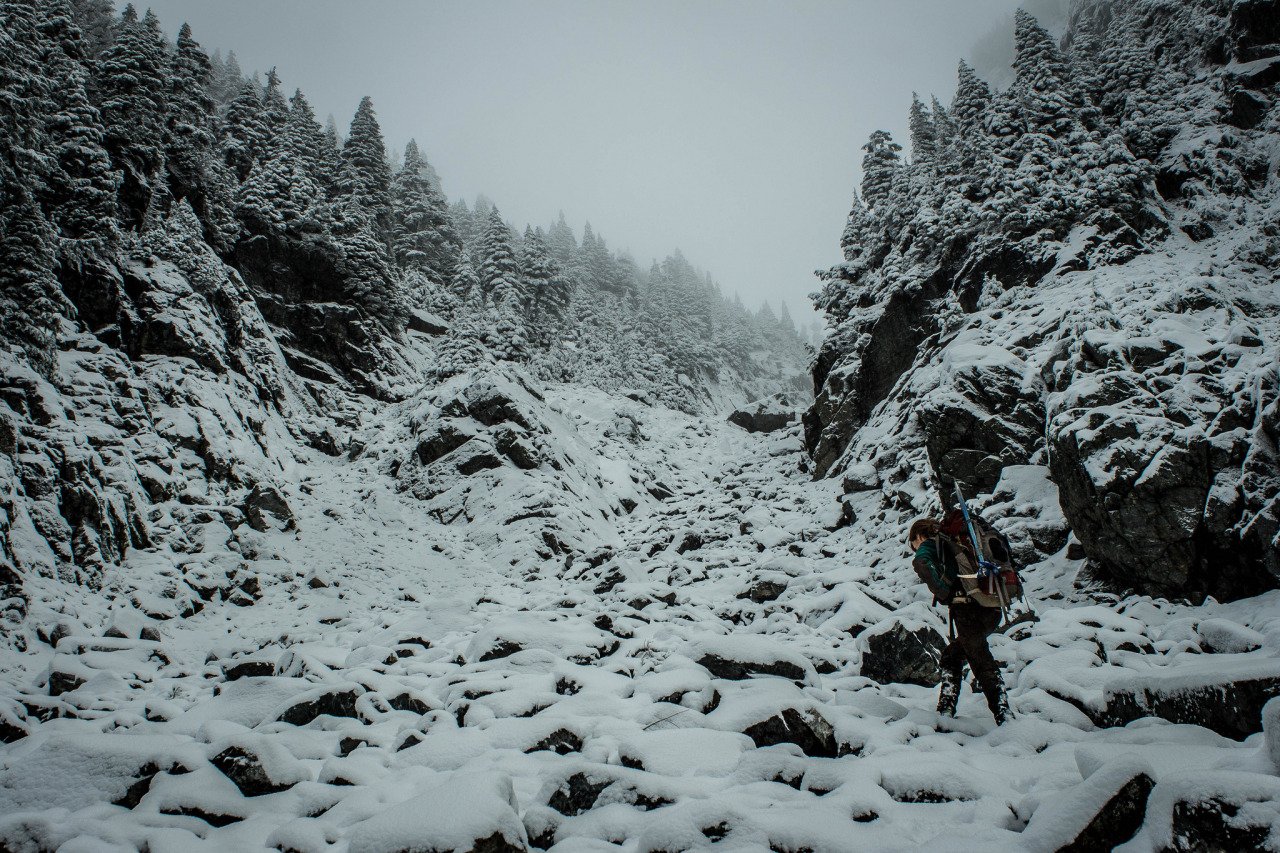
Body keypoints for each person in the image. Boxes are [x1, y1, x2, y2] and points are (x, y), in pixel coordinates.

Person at [908, 517, 1009, 724]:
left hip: (967, 609)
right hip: (992, 606)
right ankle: (945, 711)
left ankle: (1004, 715)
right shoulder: (956, 543)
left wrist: (944, 592)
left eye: (913, 543)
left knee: (980, 660)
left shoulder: (931, 544)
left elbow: (921, 562)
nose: (914, 547)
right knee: (952, 656)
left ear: (918, 535)